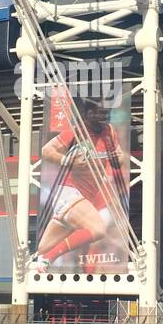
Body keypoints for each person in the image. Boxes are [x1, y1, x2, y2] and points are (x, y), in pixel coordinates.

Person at [33, 99, 126, 272]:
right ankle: (49, 257)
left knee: (40, 250)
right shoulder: (77, 132)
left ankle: (41, 258)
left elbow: (119, 159)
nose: (105, 119)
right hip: (68, 193)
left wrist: (115, 158)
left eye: (107, 115)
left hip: (83, 198)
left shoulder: (109, 132)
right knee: (98, 229)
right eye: (101, 114)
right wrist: (67, 161)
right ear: (89, 115)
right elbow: (46, 150)